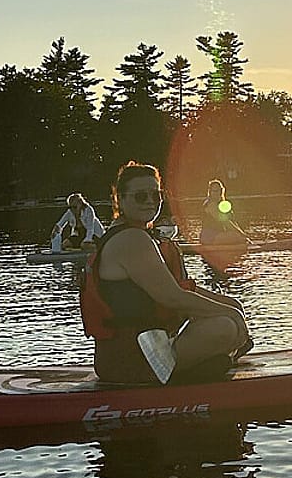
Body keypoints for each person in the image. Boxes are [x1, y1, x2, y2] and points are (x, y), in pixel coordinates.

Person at [81, 162, 251, 385]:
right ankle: (195, 371)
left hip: (151, 346)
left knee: (231, 309)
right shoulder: (131, 239)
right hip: (132, 360)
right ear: (120, 200)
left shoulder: (141, 235)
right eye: (141, 196)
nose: (151, 201)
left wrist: (231, 306)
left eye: (156, 194)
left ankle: (209, 362)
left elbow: (178, 287)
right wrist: (234, 316)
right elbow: (172, 297)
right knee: (225, 327)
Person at [199, 179, 251, 246]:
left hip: (219, 234)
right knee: (237, 237)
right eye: (214, 191)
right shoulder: (210, 204)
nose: (217, 193)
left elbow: (231, 221)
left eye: (219, 191)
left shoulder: (222, 204)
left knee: (238, 236)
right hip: (209, 236)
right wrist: (241, 234)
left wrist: (241, 232)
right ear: (210, 192)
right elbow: (225, 221)